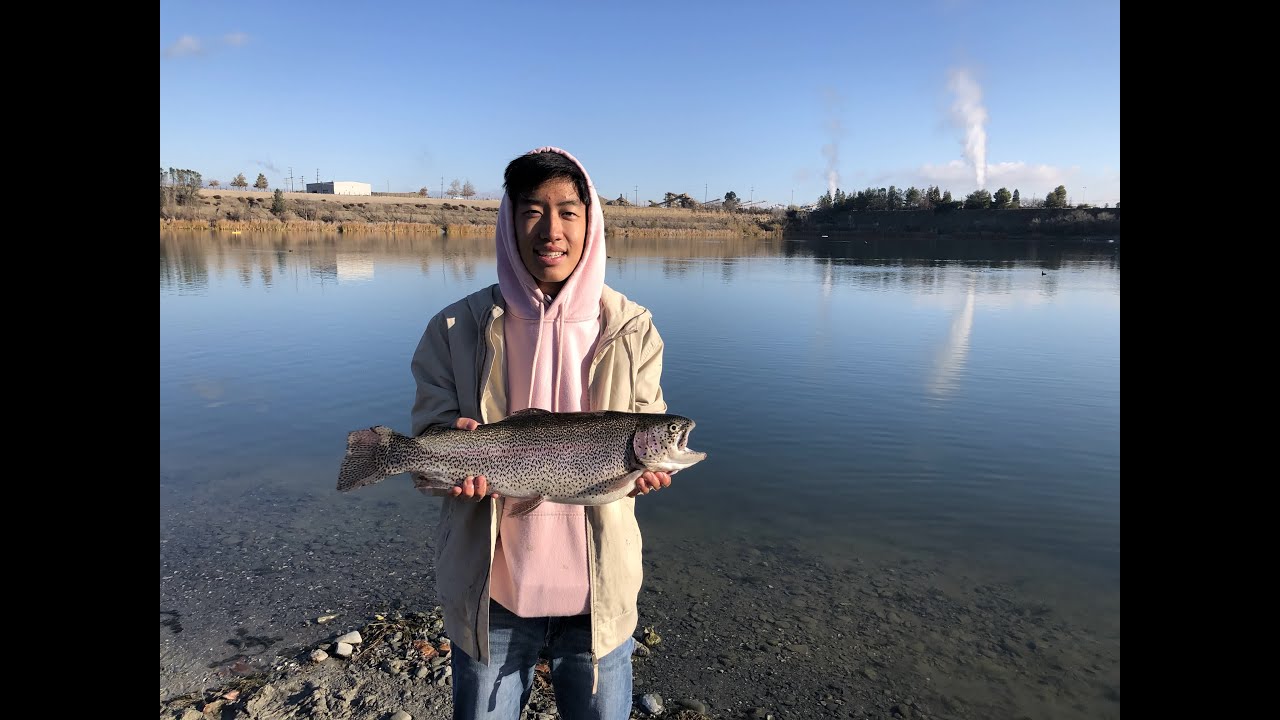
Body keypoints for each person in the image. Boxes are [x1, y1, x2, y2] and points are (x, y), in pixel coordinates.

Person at [409, 146, 673, 720]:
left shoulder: (633, 328)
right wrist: (446, 455)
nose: (551, 230)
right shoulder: (454, 326)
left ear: (590, 221)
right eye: (532, 211)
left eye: (568, 212)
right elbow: (428, 434)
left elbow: (650, 422)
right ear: (508, 221)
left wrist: (645, 474)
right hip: (493, 593)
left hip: (599, 594)